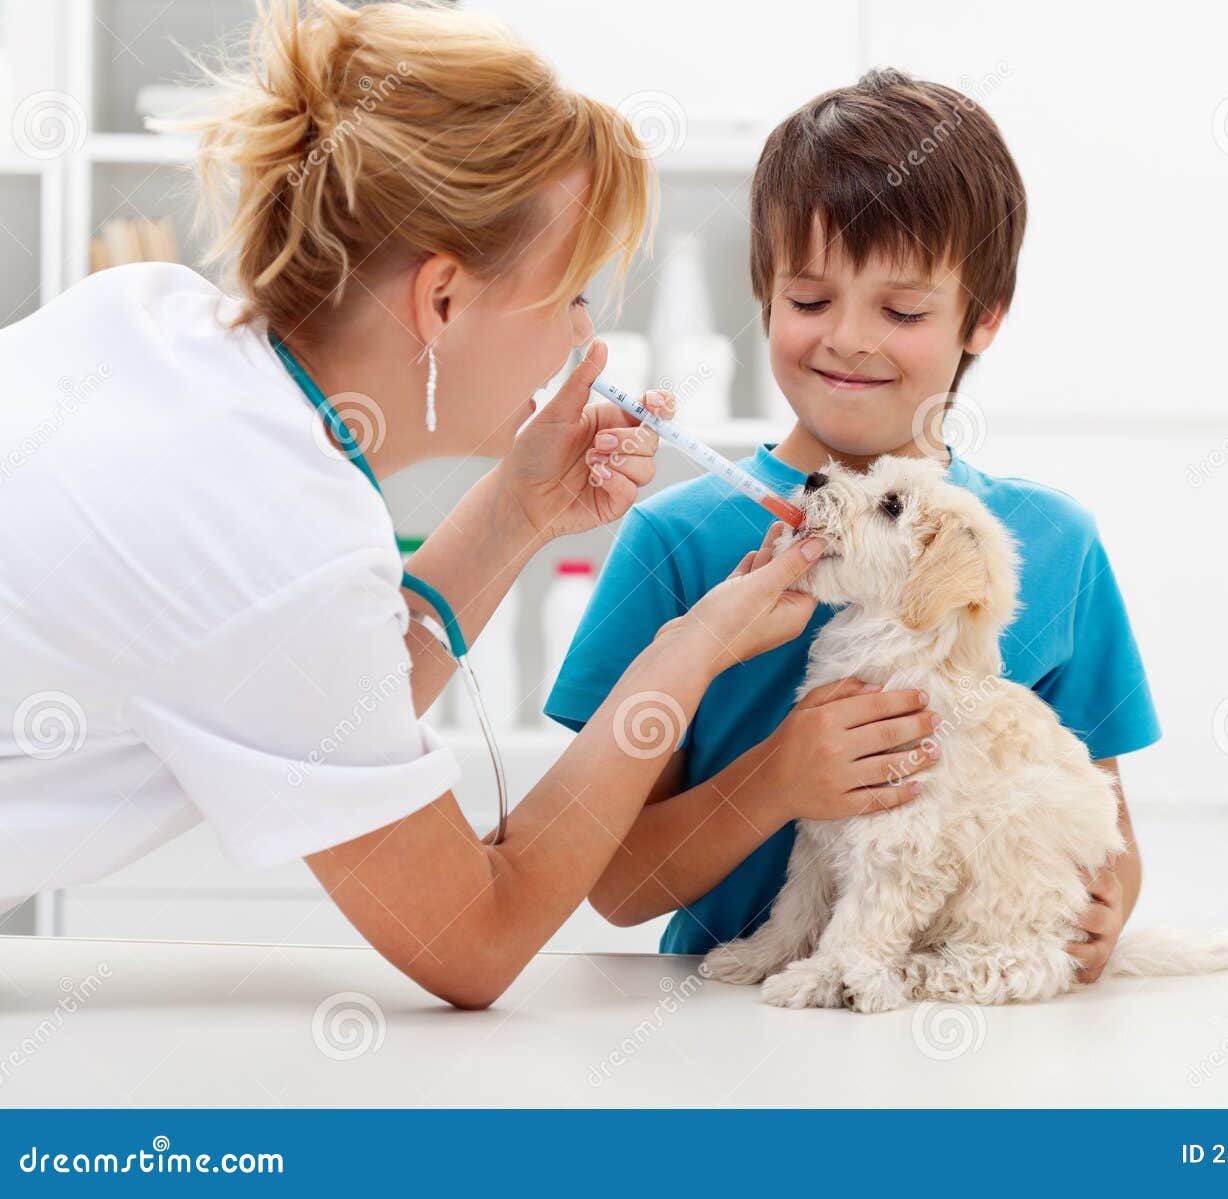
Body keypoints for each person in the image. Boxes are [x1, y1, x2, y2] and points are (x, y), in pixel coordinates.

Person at [0, 0, 825, 1009]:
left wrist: (520, 510)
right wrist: (689, 649)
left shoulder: (153, 314)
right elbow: (472, 937)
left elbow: (337, 693)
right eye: (568, 291)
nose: (579, 335)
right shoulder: (279, 538)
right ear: (442, 300)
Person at [547, 69, 1161, 982]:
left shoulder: (1050, 544)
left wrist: (1102, 907)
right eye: (809, 300)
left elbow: (1103, 834)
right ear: (762, 293)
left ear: (983, 318)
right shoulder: (675, 542)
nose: (849, 339)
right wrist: (778, 780)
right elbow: (615, 884)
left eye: (903, 310)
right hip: (714, 1034)